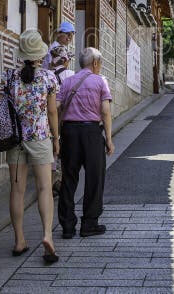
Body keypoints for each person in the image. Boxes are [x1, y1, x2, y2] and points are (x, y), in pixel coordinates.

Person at [3, 30, 60, 264]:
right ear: (40, 54)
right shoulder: (48, 78)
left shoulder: (10, 78)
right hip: (40, 138)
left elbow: (2, 107)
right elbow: (52, 111)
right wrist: (56, 137)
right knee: (45, 188)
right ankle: (47, 236)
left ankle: (19, 241)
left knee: (16, 190)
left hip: (15, 140)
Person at [57, 47, 115, 239]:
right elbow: (105, 111)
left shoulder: (67, 82)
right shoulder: (100, 81)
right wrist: (109, 139)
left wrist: (56, 136)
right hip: (91, 133)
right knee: (94, 178)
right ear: (96, 63)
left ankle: (67, 225)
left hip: (69, 133)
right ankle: (89, 224)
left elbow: (57, 108)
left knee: (69, 178)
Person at [48, 45, 74, 195]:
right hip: (63, 116)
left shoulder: (46, 73)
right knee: (64, 150)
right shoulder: (70, 74)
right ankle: (63, 182)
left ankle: (50, 183)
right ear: (65, 60)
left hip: (46, 118)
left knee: (51, 151)